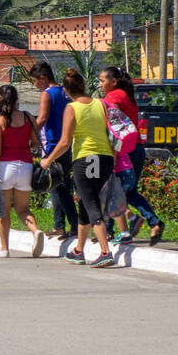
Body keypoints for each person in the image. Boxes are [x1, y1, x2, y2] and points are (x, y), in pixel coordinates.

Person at [39, 68, 116, 267]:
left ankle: (105, 251)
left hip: (86, 159)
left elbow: (65, 142)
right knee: (84, 203)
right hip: (105, 157)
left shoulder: (72, 108)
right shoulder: (101, 104)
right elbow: (110, 133)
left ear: (66, 91)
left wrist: (48, 160)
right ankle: (78, 251)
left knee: (91, 204)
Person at [99, 65, 165, 244]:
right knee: (130, 192)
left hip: (122, 152)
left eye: (102, 81)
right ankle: (154, 222)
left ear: (113, 82)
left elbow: (113, 125)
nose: (100, 85)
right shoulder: (128, 96)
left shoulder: (113, 96)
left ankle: (115, 231)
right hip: (137, 148)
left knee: (111, 191)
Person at [0, 84, 45, 258]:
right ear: (16, 98)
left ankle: (4, 249)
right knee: (23, 209)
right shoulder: (28, 117)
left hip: (5, 168)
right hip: (25, 167)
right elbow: (36, 143)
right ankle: (35, 231)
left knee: (3, 212)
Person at [30, 62, 79, 240]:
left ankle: (74, 224)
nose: (35, 85)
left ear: (43, 78)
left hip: (52, 146)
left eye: (35, 81)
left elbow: (42, 119)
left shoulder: (47, 94)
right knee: (58, 185)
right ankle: (59, 225)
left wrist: (28, 134)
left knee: (60, 187)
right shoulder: (66, 93)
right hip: (67, 144)